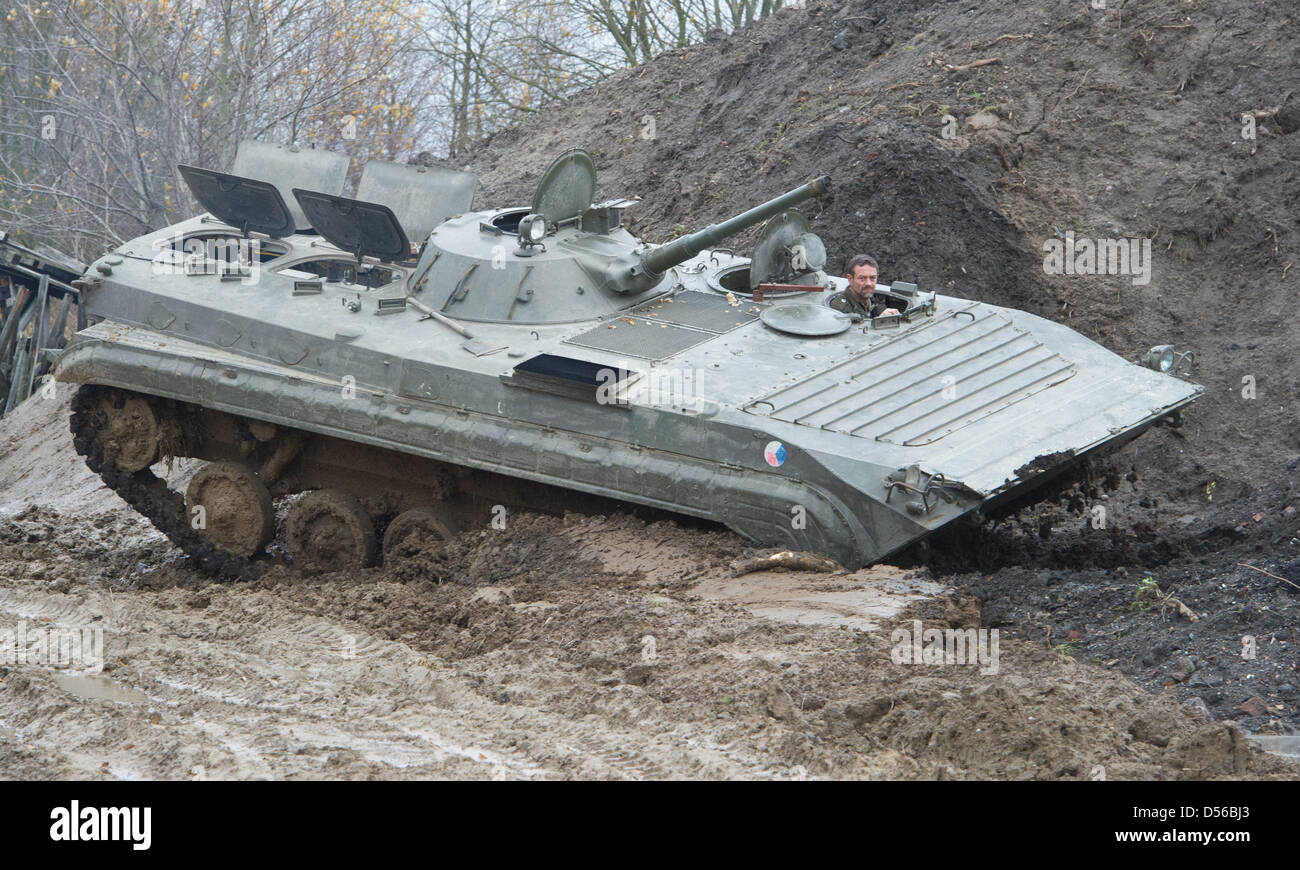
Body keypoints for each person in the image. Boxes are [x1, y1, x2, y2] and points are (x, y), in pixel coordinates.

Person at [826, 255, 900, 319]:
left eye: (872, 278)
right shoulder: (840, 309)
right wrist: (880, 320)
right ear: (850, 279)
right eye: (862, 278)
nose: (868, 283)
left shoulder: (874, 299)